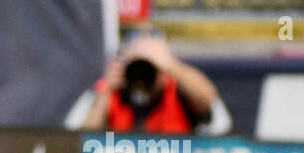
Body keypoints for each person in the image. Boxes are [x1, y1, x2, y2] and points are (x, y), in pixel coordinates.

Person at [79, 31, 230, 135]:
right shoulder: (111, 94)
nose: (142, 75)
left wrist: (170, 65)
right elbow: (83, 140)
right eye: (137, 66)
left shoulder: (179, 92)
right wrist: (105, 92)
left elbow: (210, 101)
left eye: (151, 66)